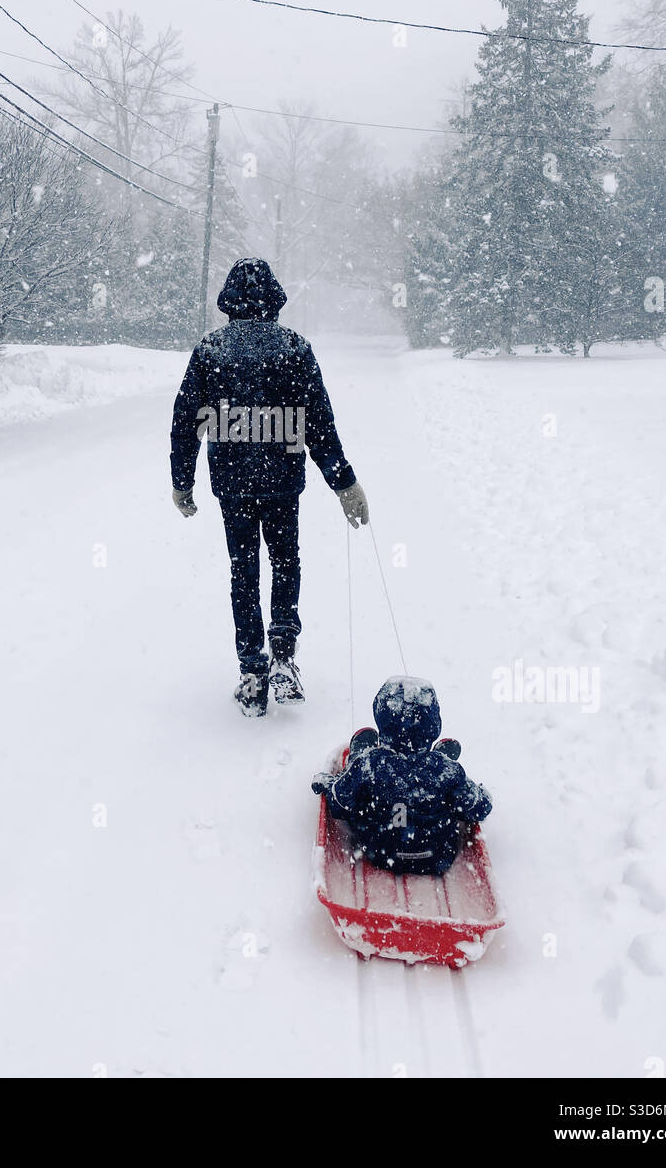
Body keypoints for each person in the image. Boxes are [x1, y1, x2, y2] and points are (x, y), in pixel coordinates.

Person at [170, 257, 368, 716]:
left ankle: (251, 672)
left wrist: (183, 482)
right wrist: (344, 483)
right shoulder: (295, 349)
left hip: (233, 484)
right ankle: (282, 655)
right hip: (281, 482)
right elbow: (319, 423)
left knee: (243, 570)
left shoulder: (210, 351)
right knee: (284, 561)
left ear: (229, 300)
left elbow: (185, 422)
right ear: (274, 298)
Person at [311, 677, 493, 875]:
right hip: (437, 856)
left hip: (380, 852)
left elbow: (340, 805)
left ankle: (357, 753)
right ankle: (431, 757)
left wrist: (330, 786)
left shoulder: (371, 764)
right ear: (434, 726)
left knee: (361, 784)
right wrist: (471, 792)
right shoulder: (447, 771)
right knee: (442, 785)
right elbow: (480, 809)